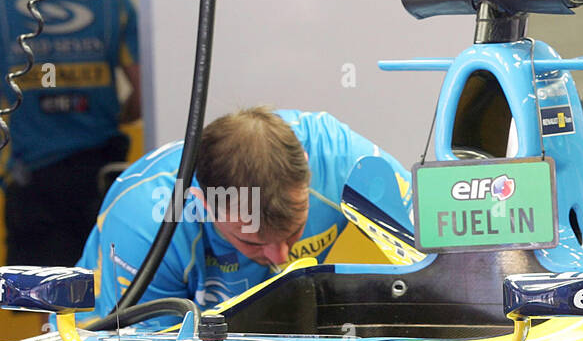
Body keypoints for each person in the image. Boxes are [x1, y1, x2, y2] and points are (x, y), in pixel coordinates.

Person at [78, 106, 410, 318]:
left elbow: (435, 242)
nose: (281, 256)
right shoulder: (147, 219)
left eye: (294, 231)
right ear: (204, 203)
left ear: (307, 171)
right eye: (252, 242)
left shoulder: (340, 158)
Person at [0, 0, 141, 266]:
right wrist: (118, 114)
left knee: (43, 308)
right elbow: (145, 93)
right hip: (102, 184)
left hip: (33, 189)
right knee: (105, 301)